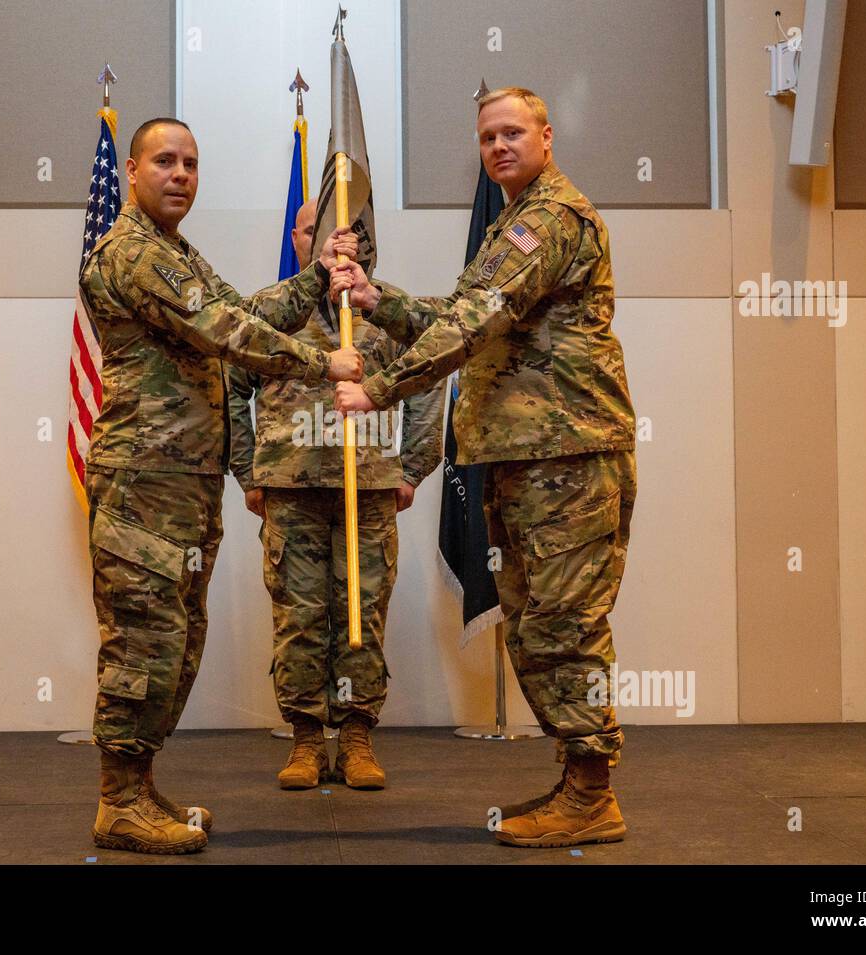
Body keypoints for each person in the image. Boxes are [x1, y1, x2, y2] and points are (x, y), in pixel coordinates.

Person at [332, 88, 637, 848]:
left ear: (547, 135)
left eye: (512, 133)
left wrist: (378, 386)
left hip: (567, 459)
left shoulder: (552, 218)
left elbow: (474, 321)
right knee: (534, 627)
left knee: (566, 625)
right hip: (522, 460)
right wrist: (378, 301)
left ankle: (593, 789)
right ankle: (579, 780)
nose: (499, 146)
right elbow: (467, 308)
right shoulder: (513, 222)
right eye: (487, 137)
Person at [78, 117, 362, 854]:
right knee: (143, 640)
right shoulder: (134, 252)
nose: (180, 174)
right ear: (133, 171)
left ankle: (138, 788)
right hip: (144, 479)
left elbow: (244, 313)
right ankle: (117, 801)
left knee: (175, 638)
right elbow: (224, 332)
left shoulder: (176, 252)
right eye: (164, 161)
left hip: (183, 480)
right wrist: (322, 364)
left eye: (192, 163)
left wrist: (313, 281)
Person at [227, 201, 443, 790]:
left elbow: (429, 376)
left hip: (369, 487)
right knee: (299, 614)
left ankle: (355, 735)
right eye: (312, 231)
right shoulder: (270, 313)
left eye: (345, 233)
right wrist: (247, 472)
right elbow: (228, 386)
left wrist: (414, 468)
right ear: (296, 240)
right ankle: (303, 738)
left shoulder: (382, 308)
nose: (332, 242)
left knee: (361, 613)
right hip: (289, 489)